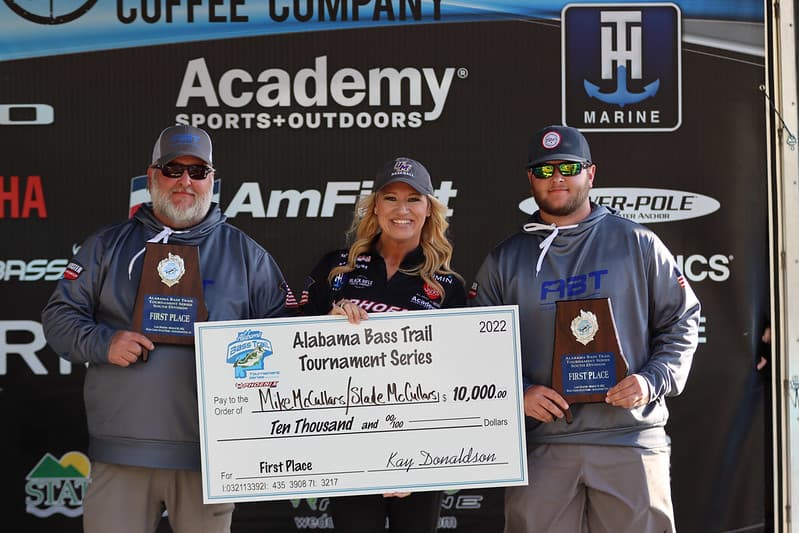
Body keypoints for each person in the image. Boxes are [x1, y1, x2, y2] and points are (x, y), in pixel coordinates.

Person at [41, 125, 289, 533]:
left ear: (212, 180)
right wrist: (104, 343)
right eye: (173, 169)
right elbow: (58, 317)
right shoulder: (106, 246)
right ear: (152, 175)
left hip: (210, 459)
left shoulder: (247, 254)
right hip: (122, 453)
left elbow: (285, 337)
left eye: (197, 171)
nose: (185, 182)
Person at [469, 125, 701, 533]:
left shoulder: (638, 242)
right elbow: (476, 348)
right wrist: (517, 392)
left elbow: (682, 320)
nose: (555, 178)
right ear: (529, 179)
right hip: (542, 446)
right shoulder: (505, 260)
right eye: (543, 170)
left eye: (568, 167)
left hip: (630, 438)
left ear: (590, 174)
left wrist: (651, 381)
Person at [300, 156, 466, 533]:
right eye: (390, 198)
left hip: (421, 451)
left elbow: (457, 379)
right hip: (349, 444)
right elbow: (293, 349)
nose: (401, 209)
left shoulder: (447, 286)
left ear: (429, 209)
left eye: (413, 199)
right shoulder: (336, 268)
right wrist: (326, 324)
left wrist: (418, 461)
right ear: (375, 206)